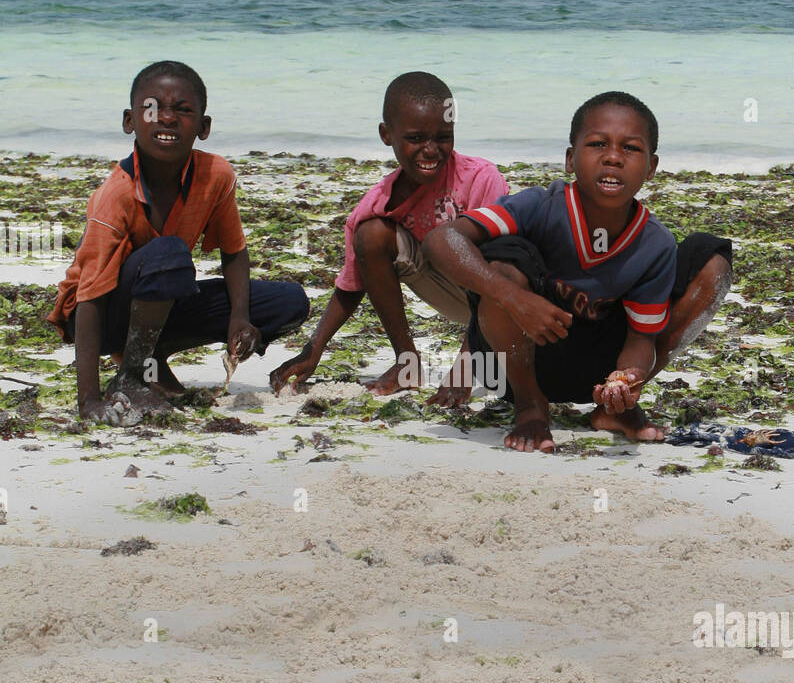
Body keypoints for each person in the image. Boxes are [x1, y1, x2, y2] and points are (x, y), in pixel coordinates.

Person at [423, 90, 732, 452]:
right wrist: (516, 299)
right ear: (571, 159)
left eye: (630, 148)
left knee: (713, 259)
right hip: (510, 361)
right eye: (598, 144)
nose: (613, 157)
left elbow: (640, 339)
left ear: (651, 167)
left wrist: (630, 376)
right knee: (504, 257)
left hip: (593, 373)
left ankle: (615, 407)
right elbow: (440, 240)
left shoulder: (654, 243)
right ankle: (531, 405)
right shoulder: (539, 206)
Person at [48, 60, 309, 425]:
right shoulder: (116, 194)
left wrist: (239, 318)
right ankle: (133, 375)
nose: (166, 118)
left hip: (159, 300)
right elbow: (89, 296)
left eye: (182, 110)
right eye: (151, 108)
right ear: (129, 121)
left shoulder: (216, 175)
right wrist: (88, 400)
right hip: (100, 317)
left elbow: (234, 251)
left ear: (203, 127)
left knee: (288, 302)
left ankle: (149, 355)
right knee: (170, 253)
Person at [270, 71, 509, 407]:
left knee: (500, 267)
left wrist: (465, 368)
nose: (431, 150)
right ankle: (405, 363)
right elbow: (351, 286)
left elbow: (499, 272)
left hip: (502, 296)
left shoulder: (481, 179)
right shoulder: (376, 203)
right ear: (387, 135)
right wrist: (314, 350)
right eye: (415, 138)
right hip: (451, 290)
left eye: (443, 137)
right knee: (371, 235)